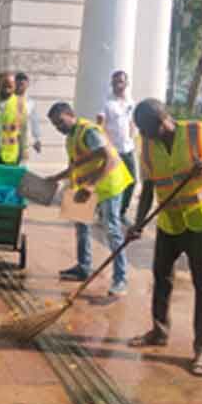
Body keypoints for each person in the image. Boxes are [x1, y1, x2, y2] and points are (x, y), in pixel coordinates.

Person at [125, 98, 202, 377]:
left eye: (148, 130)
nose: (145, 137)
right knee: (161, 277)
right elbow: (148, 186)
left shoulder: (199, 131)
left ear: (163, 121)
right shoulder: (148, 145)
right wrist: (137, 224)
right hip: (169, 222)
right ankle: (159, 331)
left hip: (200, 221)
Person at [46, 101, 132, 297]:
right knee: (80, 224)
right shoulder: (70, 138)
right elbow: (74, 166)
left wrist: (92, 185)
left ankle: (121, 279)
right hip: (86, 186)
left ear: (70, 114)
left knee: (112, 229)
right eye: (55, 125)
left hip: (108, 185)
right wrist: (55, 178)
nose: (58, 128)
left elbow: (111, 159)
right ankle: (83, 267)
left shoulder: (89, 131)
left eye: (60, 122)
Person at [97, 70, 138, 226]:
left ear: (126, 84)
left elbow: (132, 121)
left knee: (132, 181)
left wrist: (132, 135)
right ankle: (103, 212)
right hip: (112, 151)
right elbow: (99, 124)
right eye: (115, 82)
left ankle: (121, 212)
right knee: (111, 184)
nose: (118, 85)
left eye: (121, 82)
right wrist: (105, 145)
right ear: (112, 84)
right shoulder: (107, 103)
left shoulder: (130, 102)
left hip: (128, 149)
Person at [15, 72, 43, 157]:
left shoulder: (30, 103)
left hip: (24, 141)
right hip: (7, 140)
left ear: (27, 85)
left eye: (22, 84)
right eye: (18, 84)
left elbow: (34, 122)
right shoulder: (8, 99)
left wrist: (37, 140)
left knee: (21, 166)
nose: (20, 86)